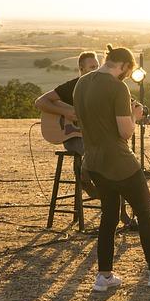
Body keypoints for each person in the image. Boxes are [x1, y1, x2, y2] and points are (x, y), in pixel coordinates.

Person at [73, 45, 150, 291]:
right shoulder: (117, 86)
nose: (125, 76)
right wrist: (135, 115)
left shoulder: (82, 83)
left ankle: (104, 275)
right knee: (146, 212)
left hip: (94, 161)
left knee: (109, 216)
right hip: (119, 161)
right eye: (127, 71)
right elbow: (124, 132)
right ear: (123, 66)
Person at [36, 51, 101, 198]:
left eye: (97, 66)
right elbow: (40, 102)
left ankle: (116, 205)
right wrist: (65, 112)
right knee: (93, 150)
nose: (96, 70)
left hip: (93, 136)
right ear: (81, 68)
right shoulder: (72, 86)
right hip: (72, 136)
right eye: (92, 67)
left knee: (107, 150)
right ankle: (85, 179)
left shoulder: (102, 87)